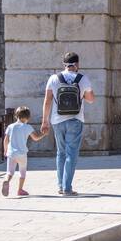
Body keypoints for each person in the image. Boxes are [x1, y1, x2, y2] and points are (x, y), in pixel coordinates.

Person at [42, 52, 95, 196]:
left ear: (64, 64)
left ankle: (60, 186)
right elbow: (91, 99)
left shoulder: (54, 78)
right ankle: (67, 188)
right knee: (71, 154)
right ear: (77, 64)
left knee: (61, 152)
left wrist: (44, 121)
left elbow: (47, 100)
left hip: (57, 120)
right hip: (75, 120)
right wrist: (82, 94)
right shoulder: (82, 79)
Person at [1, 107, 47, 198]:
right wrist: (43, 134)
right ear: (27, 118)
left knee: (10, 172)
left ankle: (6, 181)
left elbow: (6, 140)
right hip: (22, 154)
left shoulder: (11, 126)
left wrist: (5, 150)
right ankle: (20, 190)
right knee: (22, 172)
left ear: (16, 116)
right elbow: (35, 138)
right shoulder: (27, 127)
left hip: (11, 153)